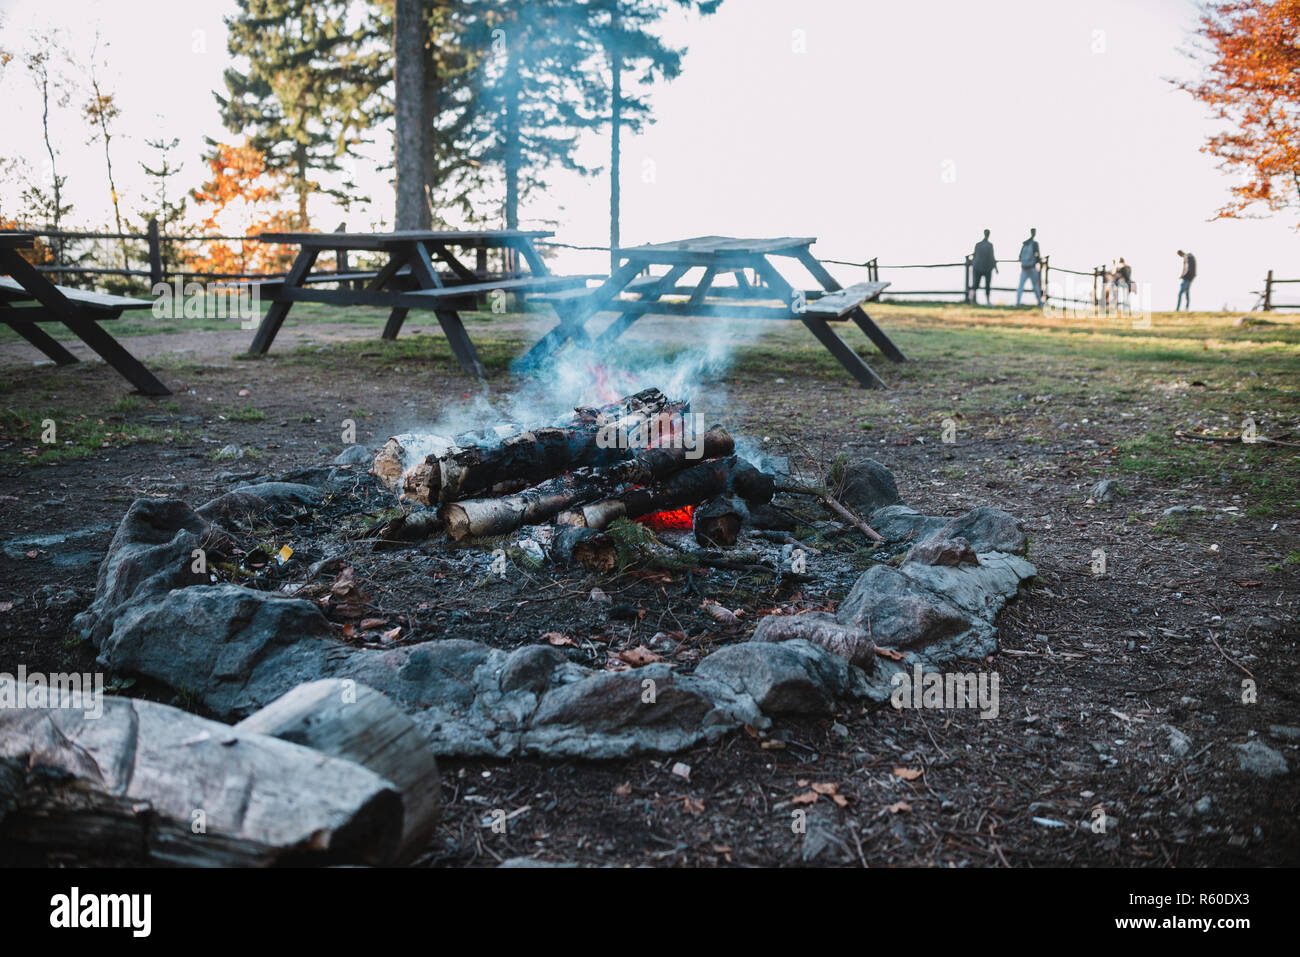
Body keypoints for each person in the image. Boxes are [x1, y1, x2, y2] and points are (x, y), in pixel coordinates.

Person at [1016, 228, 1043, 307]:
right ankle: (1039, 302)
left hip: (1024, 268)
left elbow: (1020, 256)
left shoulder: (1025, 244)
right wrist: (1038, 261)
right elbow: (1037, 255)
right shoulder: (1035, 244)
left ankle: (1018, 302)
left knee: (1020, 286)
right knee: (1035, 286)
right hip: (1031, 268)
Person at [969, 229, 996, 305]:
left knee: (975, 285)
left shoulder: (978, 244)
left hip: (977, 267)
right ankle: (987, 302)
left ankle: (971, 300)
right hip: (986, 268)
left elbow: (974, 255)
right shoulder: (989, 245)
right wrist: (995, 267)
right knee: (987, 286)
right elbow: (992, 257)